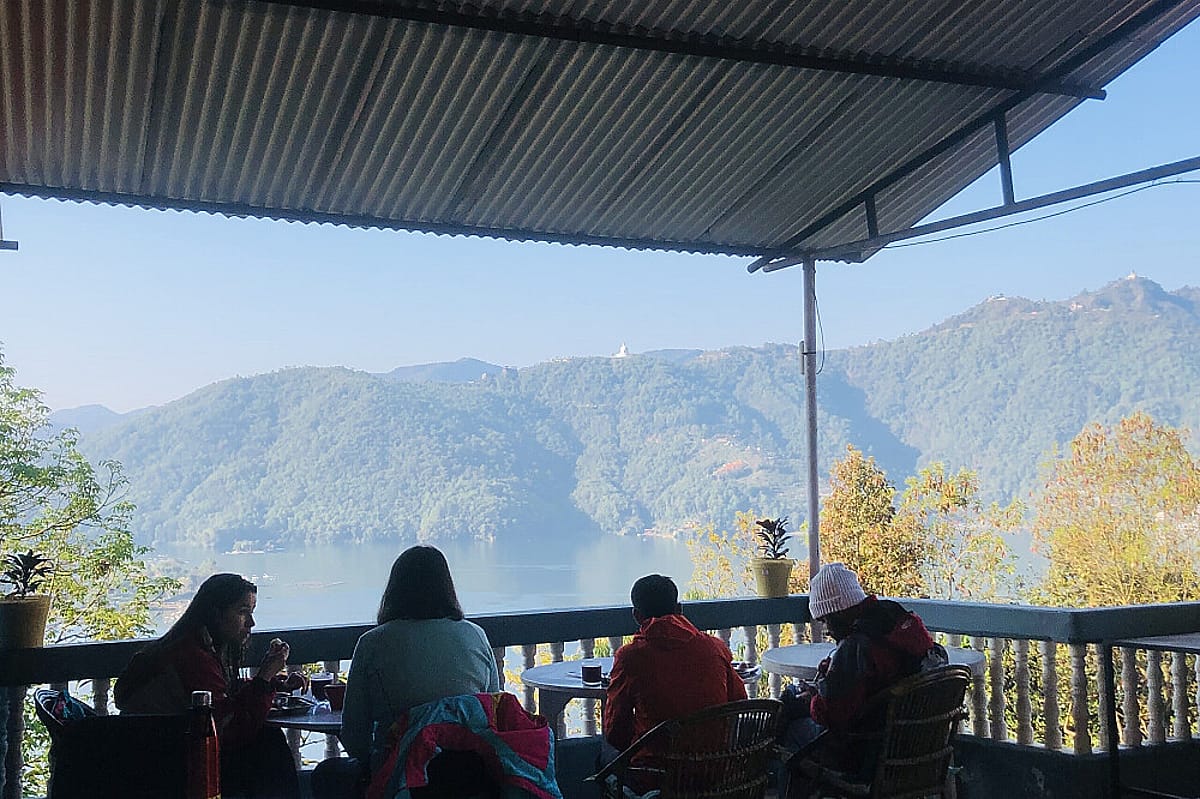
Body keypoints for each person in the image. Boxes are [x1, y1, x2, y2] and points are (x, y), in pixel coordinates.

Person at [312, 545, 500, 799]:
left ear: (394, 590)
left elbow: (355, 735)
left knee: (327, 774)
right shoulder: (475, 635)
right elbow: (492, 711)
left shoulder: (373, 643)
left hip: (400, 780)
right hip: (471, 776)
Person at [114, 573, 302, 799]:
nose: (251, 623)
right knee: (268, 744)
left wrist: (270, 682)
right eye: (242, 612)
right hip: (172, 768)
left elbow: (218, 693)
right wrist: (263, 681)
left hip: (154, 758)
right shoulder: (191, 656)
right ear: (216, 613)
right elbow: (228, 728)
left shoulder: (187, 646)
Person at [780, 562, 948, 798]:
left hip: (869, 755)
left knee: (791, 729)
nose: (827, 629)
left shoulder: (857, 645)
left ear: (838, 612)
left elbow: (832, 714)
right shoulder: (900, 619)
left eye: (826, 620)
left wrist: (813, 699)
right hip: (919, 748)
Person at [602, 574, 747, 787]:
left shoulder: (630, 657)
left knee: (604, 752)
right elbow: (739, 702)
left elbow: (615, 731)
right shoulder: (714, 648)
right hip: (713, 770)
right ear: (679, 609)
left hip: (656, 774)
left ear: (637, 615)